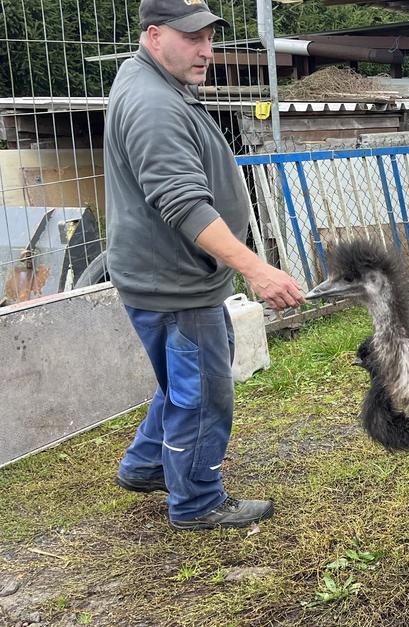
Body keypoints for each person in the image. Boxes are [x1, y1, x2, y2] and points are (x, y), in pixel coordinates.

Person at [104, 0, 305, 531]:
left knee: (180, 378)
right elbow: (184, 204)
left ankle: (146, 464)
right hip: (176, 282)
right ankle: (196, 500)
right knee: (201, 392)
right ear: (153, 36)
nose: (206, 50)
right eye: (191, 38)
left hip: (166, 275)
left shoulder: (148, 77)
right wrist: (258, 271)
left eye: (209, 37)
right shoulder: (154, 104)